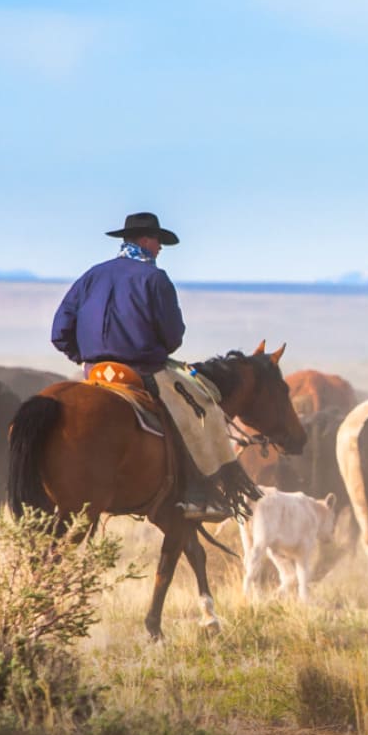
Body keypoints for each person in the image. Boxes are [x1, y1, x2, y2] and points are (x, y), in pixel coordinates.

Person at [51, 211, 249, 521]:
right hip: (141, 370)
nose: (159, 248)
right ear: (145, 239)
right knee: (199, 409)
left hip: (93, 372)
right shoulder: (155, 278)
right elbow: (173, 336)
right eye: (158, 242)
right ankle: (198, 494)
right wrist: (150, 350)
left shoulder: (90, 276)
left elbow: (59, 332)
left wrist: (86, 358)